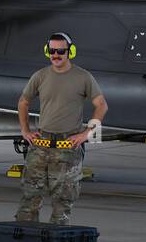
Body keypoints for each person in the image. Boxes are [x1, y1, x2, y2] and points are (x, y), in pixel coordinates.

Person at [16, 32, 107, 226]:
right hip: (40, 145)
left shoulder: (83, 77)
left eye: (60, 51)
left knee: (63, 202)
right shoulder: (40, 76)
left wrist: (86, 134)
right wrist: (25, 130)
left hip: (68, 146)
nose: (55, 55)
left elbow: (102, 105)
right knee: (29, 198)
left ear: (70, 52)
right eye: (52, 50)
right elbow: (23, 102)